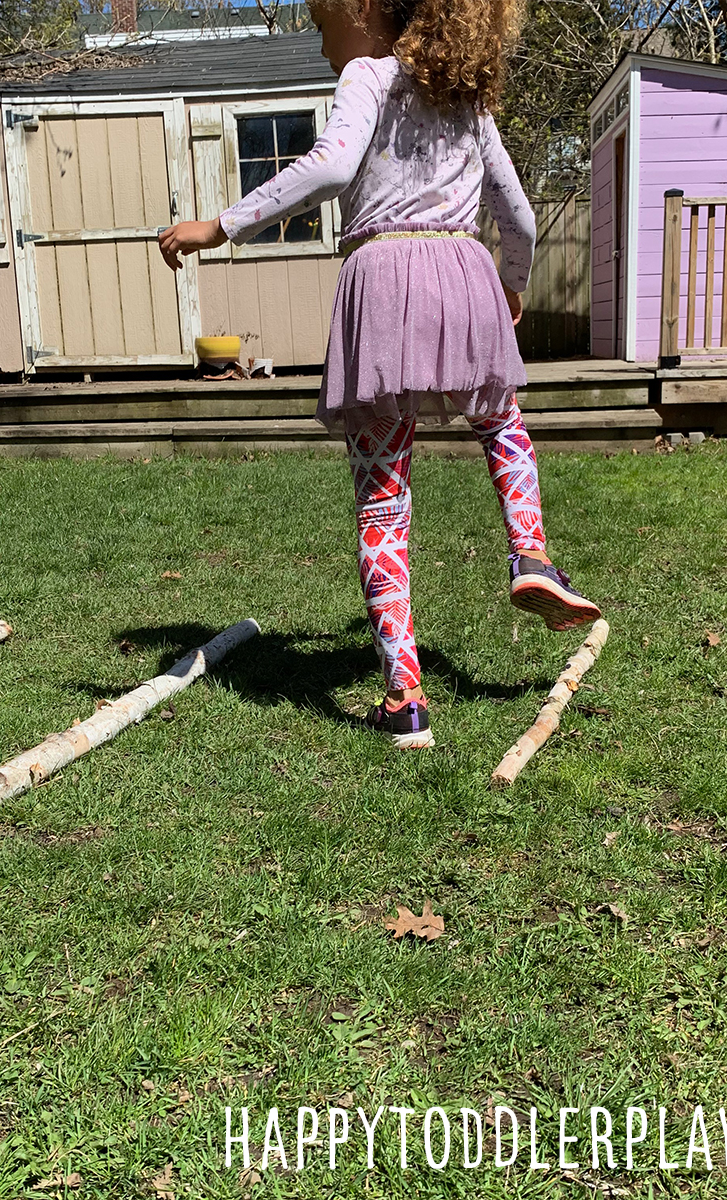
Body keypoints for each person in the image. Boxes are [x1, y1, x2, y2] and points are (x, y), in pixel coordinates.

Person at [159, 0, 601, 750]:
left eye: (319, 21)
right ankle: (530, 551)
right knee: (501, 422)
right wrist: (513, 284)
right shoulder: (466, 98)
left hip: (386, 284)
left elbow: (333, 166)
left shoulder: (367, 74)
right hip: (466, 275)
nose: (318, 41)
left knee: (382, 496)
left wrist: (220, 226)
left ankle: (405, 699)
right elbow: (519, 217)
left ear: (363, 7)